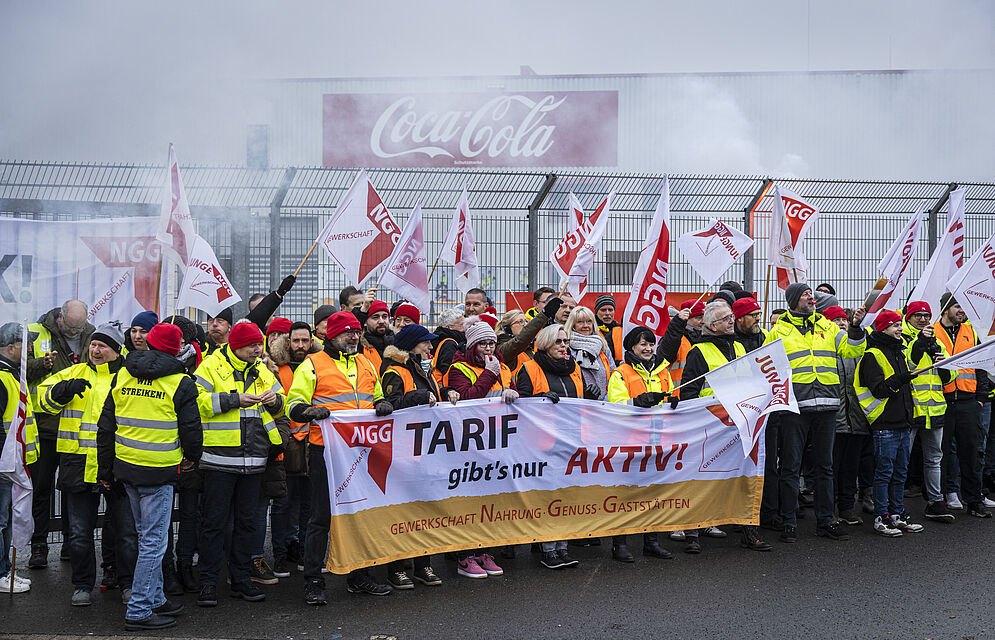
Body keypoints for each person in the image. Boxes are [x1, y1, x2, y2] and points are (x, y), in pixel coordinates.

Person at [97, 323, 202, 631]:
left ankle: (155, 598)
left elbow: (106, 427)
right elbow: (191, 430)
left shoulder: (123, 373)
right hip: (159, 470)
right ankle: (140, 608)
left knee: (146, 537)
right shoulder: (180, 381)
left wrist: (106, 470)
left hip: (127, 467)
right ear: (175, 349)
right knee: (154, 542)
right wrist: (193, 457)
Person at [286, 311, 394, 605]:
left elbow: (376, 393)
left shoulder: (366, 361)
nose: (354, 337)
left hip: (361, 449)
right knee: (320, 517)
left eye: (357, 332)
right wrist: (308, 412)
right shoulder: (313, 364)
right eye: (348, 332)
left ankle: (359, 576)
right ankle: (313, 581)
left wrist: (383, 402)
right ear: (330, 336)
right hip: (326, 450)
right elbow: (293, 403)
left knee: (360, 515)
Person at [38, 322, 138, 606]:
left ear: (116, 351)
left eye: (102, 346)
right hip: (78, 463)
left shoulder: (130, 377)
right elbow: (41, 400)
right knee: (80, 534)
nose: (95, 350)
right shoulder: (73, 372)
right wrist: (61, 392)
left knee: (127, 533)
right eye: (93, 344)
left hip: (119, 464)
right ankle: (82, 586)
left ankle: (127, 583)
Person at [764, 283, 866, 544]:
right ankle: (789, 522)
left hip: (828, 407)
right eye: (806, 294)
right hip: (795, 409)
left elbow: (852, 350)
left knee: (825, 467)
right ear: (794, 300)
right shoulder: (778, 331)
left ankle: (825, 520)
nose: (811, 298)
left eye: (812, 294)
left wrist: (855, 327)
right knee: (790, 467)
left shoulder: (828, 326)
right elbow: (767, 370)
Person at [194, 321, 285, 607]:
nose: (258, 350)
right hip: (219, 461)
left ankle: (242, 580)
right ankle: (208, 583)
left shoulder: (261, 370)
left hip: (254, 461)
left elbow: (282, 402)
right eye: (252, 346)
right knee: (214, 525)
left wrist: (274, 401)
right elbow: (195, 402)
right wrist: (233, 400)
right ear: (236, 346)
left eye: (259, 344)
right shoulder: (210, 366)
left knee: (246, 524)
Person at [678, 302, 771, 552]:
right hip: (711, 428)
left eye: (732, 317)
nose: (732, 321)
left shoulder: (740, 347)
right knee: (699, 481)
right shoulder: (699, 351)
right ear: (712, 325)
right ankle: (692, 534)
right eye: (726, 318)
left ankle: (749, 531)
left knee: (745, 478)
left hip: (740, 425)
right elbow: (689, 392)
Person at [380, 323, 459, 588]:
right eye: (425, 342)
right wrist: (419, 396)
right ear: (412, 344)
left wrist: (443, 394)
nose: (430, 346)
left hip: (424, 449)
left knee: (424, 508)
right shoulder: (394, 371)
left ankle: (423, 564)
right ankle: (397, 567)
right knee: (401, 512)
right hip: (403, 451)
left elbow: (430, 399)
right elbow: (390, 406)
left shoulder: (423, 370)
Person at [516, 324, 591, 569]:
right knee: (547, 498)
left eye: (566, 341)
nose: (564, 346)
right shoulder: (529, 368)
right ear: (546, 343)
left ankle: (563, 547)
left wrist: (591, 396)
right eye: (559, 341)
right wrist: (540, 401)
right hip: (542, 443)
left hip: (571, 440)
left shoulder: (574, 368)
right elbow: (521, 406)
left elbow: (578, 402)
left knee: (566, 497)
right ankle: (548, 549)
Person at [26, 299, 94, 569]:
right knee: (41, 490)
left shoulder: (92, 333)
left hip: (75, 430)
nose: (75, 334)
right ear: (60, 317)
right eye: (71, 328)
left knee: (72, 490)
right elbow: (18, 370)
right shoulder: (34, 332)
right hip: (44, 427)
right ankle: (39, 546)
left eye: (80, 328)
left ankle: (70, 542)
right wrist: (40, 365)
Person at [605, 325, 675, 561]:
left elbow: (672, 396)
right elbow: (615, 406)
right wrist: (638, 401)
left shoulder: (663, 371)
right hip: (630, 443)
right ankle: (620, 543)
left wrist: (675, 401)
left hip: (658, 442)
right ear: (632, 347)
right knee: (626, 495)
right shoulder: (620, 373)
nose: (648, 348)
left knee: (654, 494)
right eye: (643, 344)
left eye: (651, 343)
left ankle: (651, 541)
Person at [854, 310, 925, 537]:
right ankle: (881, 517)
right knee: (884, 472)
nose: (899, 329)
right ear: (883, 328)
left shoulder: (899, 352)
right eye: (894, 326)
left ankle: (897, 514)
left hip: (902, 422)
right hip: (884, 424)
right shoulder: (872, 355)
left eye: (899, 325)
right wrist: (903, 378)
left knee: (900, 473)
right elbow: (879, 390)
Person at [934, 294, 993, 517]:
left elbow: (981, 365)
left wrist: (981, 396)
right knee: (943, 453)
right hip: (944, 400)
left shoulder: (970, 332)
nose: (962, 311)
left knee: (972, 452)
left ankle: (974, 500)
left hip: (969, 401)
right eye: (958, 306)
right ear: (946, 308)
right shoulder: (933, 331)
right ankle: (945, 494)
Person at [268, 321, 319, 578]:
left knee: (307, 503)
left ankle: (300, 550)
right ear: (288, 342)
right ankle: (279, 554)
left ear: (311, 341)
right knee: (283, 503)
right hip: (286, 441)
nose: (300, 345)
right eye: (296, 340)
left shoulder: (318, 365)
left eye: (305, 341)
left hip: (312, 440)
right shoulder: (277, 368)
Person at [901, 302, 956, 523]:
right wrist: (921, 342)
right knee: (901, 460)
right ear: (909, 317)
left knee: (934, 459)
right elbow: (907, 367)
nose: (923, 319)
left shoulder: (938, 341)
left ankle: (935, 502)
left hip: (935, 409)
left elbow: (950, 377)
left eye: (926, 315)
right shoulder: (901, 337)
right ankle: (894, 505)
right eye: (918, 315)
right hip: (911, 409)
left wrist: (943, 366)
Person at [821, 306, 872, 528]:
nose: (841, 323)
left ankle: (847, 508)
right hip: (834, 419)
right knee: (831, 466)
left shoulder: (857, 349)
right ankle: (829, 509)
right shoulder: (823, 351)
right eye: (835, 320)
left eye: (844, 319)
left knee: (851, 467)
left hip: (856, 417)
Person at [0, 322, 40, 594]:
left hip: (11, 463)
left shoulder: (12, 374)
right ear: (11, 347)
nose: (30, 349)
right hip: (4, 463)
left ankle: (4, 571)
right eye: (26, 344)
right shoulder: (3, 378)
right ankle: (1, 573)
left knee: (6, 520)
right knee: (1, 520)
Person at [446, 317, 518, 405]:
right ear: (473, 346)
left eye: (491, 344)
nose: (488, 349)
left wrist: (513, 394)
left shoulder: (503, 368)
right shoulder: (459, 368)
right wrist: (490, 373)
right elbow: (465, 399)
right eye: (483, 344)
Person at [496, 297, 562, 373]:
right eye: (520, 322)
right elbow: (521, 340)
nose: (525, 325)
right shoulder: (502, 349)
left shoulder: (529, 350)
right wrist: (544, 314)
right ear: (507, 328)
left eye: (526, 321)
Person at [656, 301, 704, 397]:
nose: (702, 321)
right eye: (698, 317)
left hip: (701, 399)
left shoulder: (704, 338)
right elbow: (665, 355)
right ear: (687, 318)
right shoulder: (676, 339)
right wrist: (677, 324)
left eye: (704, 317)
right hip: (678, 399)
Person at [432, 307, 466, 386]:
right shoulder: (449, 344)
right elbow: (448, 371)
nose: (465, 328)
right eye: (462, 325)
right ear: (448, 327)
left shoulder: (438, 339)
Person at [357, 299, 393, 372]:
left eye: (384, 316)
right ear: (365, 322)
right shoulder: (359, 345)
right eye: (375, 317)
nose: (381, 321)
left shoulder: (397, 343)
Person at [594, 294, 624, 364]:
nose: (607, 313)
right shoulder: (589, 329)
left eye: (610, 310)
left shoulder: (621, 329)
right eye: (603, 310)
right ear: (596, 311)